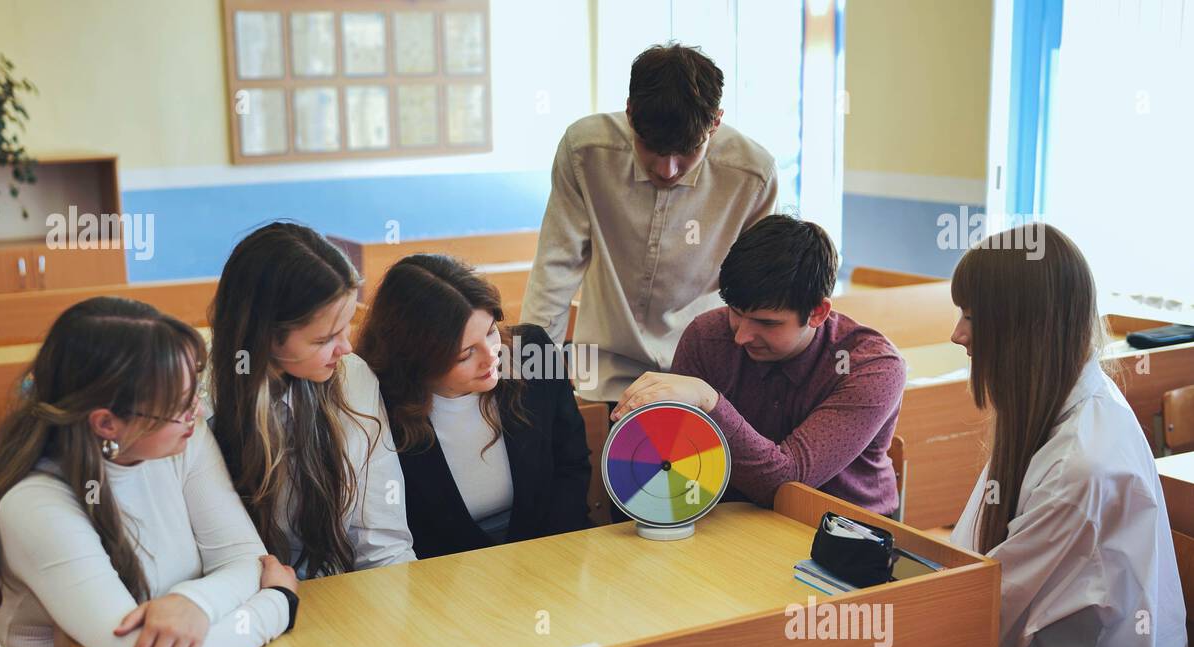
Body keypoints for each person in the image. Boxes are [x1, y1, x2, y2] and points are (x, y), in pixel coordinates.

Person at [0, 297, 297, 647]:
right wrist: (278, 605)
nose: (198, 414)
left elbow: (248, 559)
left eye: (194, 395)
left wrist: (192, 603)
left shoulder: (181, 439)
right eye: (180, 406)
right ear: (106, 424)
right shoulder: (34, 505)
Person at [947, 223, 1186, 647]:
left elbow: (983, 622)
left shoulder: (1079, 466)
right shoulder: (1063, 404)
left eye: (972, 317)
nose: (957, 335)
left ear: (1021, 326)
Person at [521, 43, 778, 404]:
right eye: (652, 149)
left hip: (708, 372)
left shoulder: (753, 174)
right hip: (609, 366)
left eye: (687, 152)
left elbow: (759, 291)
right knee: (614, 459)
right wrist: (533, 377)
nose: (666, 170)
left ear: (715, 122)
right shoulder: (585, 151)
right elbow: (555, 267)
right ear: (629, 113)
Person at [613, 214, 905, 515]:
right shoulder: (706, 337)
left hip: (847, 536)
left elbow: (787, 485)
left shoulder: (871, 366)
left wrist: (710, 401)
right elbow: (674, 460)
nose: (741, 336)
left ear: (818, 312)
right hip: (731, 525)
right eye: (736, 312)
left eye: (766, 322)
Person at [207, 222, 416, 578]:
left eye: (347, 325)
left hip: (338, 594)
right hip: (239, 599)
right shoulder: (198, 406)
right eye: (324, 339)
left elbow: (382, 541)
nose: (346, 348)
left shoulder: (353, 377)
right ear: (266, 337)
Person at [355, 254, 592, 557]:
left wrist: (548, 557)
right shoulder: (379, 402)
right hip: (444, 576)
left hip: (551, 551)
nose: (491, 356)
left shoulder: (532, 353)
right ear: (416, 359)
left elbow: (571, 464)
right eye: (465, 353)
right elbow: (401, 535)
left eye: (491, 331)